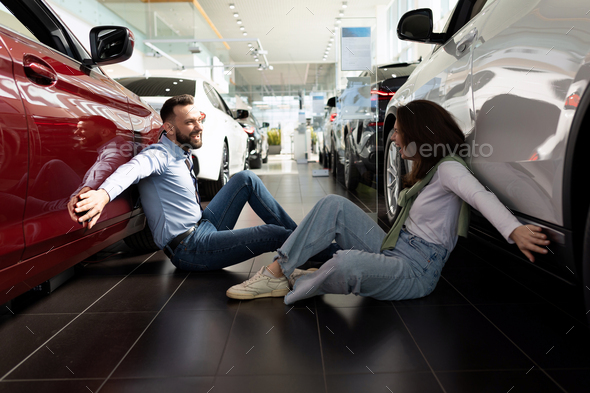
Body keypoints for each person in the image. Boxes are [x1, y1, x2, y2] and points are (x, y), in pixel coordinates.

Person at [226, 100, 551, 303]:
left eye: (398, 131)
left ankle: (300, 279)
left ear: (419, 133)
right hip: (395, 246)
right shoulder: (429, 166)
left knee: (344, 263)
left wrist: (515, 230)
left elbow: (480, 195)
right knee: (332, 205)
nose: (393, 137)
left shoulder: (450, 167)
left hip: (416, 268)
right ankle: (277, 272)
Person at [73, 94, 335, 272]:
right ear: (170, 128)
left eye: (199, 119)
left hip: (202, 226)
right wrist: (102, 195)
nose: (199, 126)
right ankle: (334, 256)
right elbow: (131, 170)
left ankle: (305, 242)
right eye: (190, 122)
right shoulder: (159, 155)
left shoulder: (181, 152)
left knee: (245, 178)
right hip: (190, 249)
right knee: (272, 235)